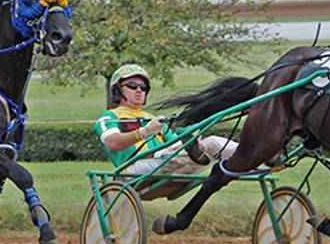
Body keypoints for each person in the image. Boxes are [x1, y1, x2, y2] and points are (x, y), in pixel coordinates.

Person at [94, 64, 237, 175]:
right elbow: (112, 143)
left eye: (143, 87)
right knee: (179, 153)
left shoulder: (152, 118)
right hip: (134, 168)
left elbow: (176, 144)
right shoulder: (109, 117)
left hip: (166, 162)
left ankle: (253, 158)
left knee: (212, 142)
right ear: (117, 90)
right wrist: (144, 132)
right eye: (132, 86)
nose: (139, 90)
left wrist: (193, 138)